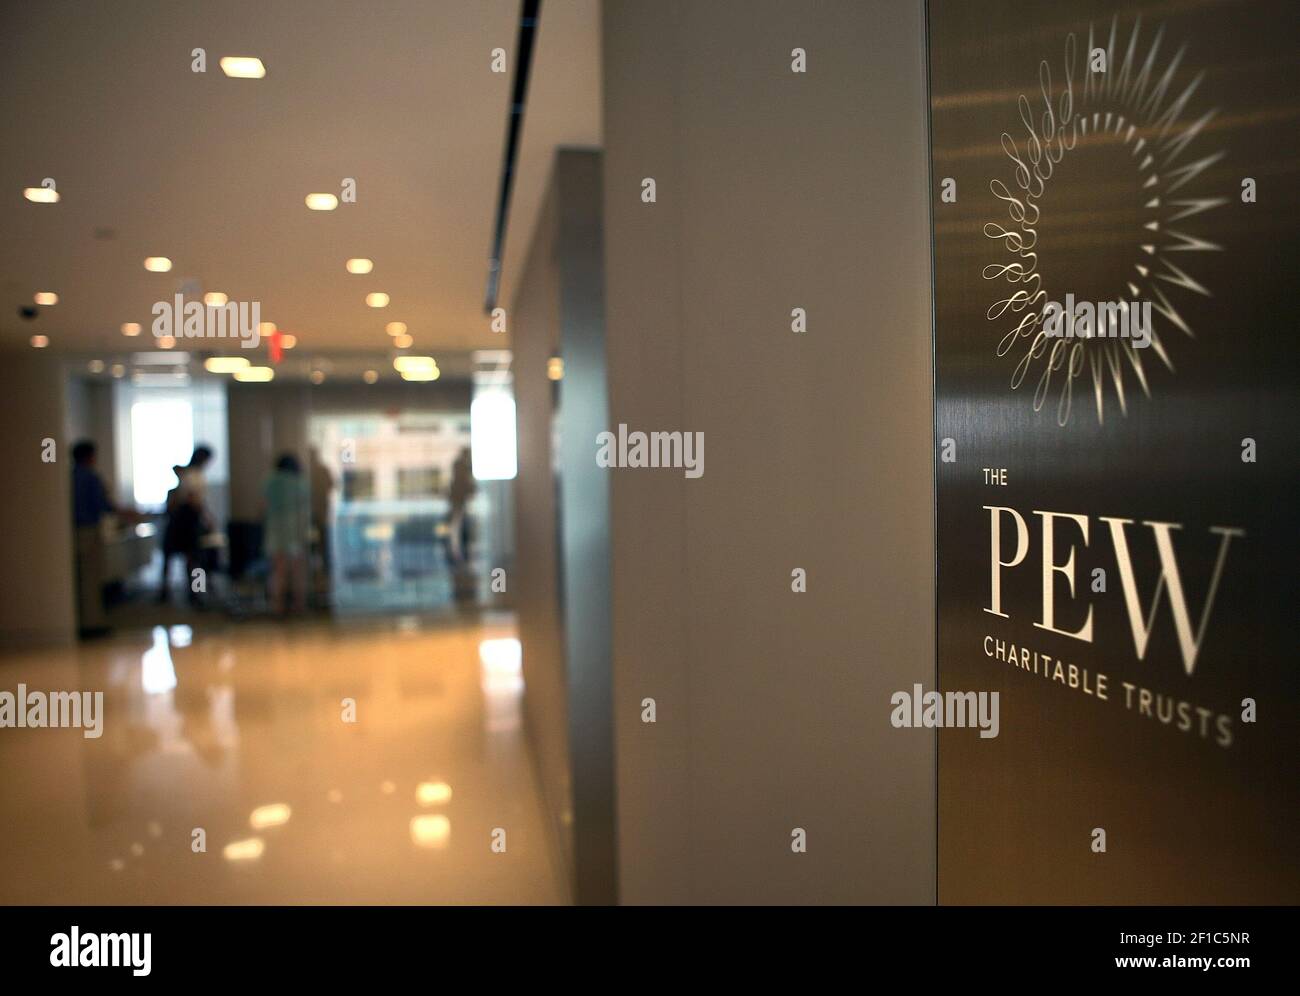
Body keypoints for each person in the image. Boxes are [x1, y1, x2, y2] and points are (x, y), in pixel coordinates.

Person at [71, 440, 141, 637]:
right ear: (90, 456)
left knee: (81, 578)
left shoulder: (70, 477)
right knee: (91, 579)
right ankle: (92, 624)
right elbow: (103, 504)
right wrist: (126, 513)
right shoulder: (90, 478)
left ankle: (83, 621)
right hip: (88, 529)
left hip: (75, 531)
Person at [159, 445, 214, 606]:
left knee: (176, 558)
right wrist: (207, 517)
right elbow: (194, 499)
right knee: (194, 559)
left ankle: (168, 590)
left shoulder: (187, 475)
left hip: (181, 518)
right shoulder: (194, 475)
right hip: (188, 519)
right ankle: (197, 592)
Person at [262, 453, 310, 615]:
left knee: (277, 571)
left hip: (275, 530)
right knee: (297, 571)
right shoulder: (299, 483)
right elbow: (304, 510)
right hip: (294, 531)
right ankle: (299, 605)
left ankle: (277, 606)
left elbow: (264, 506)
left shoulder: (271, 481)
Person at [446, 446, 476, 569]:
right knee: (457, 530)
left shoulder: (462, 467)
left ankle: (460, 556)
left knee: (460, 530)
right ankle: (458, 556)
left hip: (459, 504)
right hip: (458, 503)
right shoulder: (461, 466)